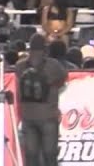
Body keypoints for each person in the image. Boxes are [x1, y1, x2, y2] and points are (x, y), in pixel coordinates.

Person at [14, 34, 67, 166]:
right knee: (50, 155)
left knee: (31, 157)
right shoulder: (53, 65)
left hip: (28, 117)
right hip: (48, 115)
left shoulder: (20, 66)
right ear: (45, 50)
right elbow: (63, 79)